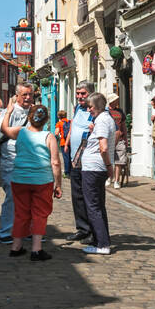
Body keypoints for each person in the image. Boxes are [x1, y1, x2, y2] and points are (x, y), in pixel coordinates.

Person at [0, 103, 62, 260]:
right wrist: (58, 184)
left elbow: (4, 129)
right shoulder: (49, 137)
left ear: (29, 118)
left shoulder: (21, 132)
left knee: (21, 213)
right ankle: (36, 249)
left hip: (19, 179)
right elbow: (55, 162)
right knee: (39, 214)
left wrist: (8, 112)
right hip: (42, 181)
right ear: (46, 120)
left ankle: (16, 247)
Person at [0, 83, 34, 245]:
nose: (27, 98)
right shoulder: (7, 113)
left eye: (30, 94)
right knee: (12, 194)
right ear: (17, 95)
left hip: (31, 160)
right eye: (24, 94)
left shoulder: (35, 112)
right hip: (11, 160)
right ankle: (6, 231)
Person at [80, 92, 115, 255]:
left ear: (97, 106)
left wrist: (109, 166)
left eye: (90, 107)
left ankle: (102, 244)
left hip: (94, 168)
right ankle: (101, 240)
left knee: (93, 206)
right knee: (98, 205)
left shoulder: (102, 120)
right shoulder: (104, 119)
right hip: (96, 168)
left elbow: (104, 147)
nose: (88, 110)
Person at [64, 83, 95, 245]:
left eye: (83, 93)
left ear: (90, 94)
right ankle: (82, 229)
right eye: (77, 93)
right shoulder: (77, 108)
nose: (79, 96)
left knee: (89, 196)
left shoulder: (95, 111)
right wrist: (68, 143)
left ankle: (93, 231)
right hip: (75, 158)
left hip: (88, 159)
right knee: (77, 195)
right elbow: (73, 127)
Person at [108, 95, 129, 190]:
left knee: (119, 162)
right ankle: (109, 178)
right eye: (115, 100)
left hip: (120, 140)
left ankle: (116, 180)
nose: (117, 102)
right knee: (108, 161)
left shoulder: (120, 112)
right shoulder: (106, 112)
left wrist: (126, 139)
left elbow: (123, 126)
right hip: (109, 139)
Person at [56, 110, 71, 175]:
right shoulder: (70, 122)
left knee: (65, 158)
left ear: (59, 116)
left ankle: (66, 172)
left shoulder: (59, 123)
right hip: (70, 142)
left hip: (63, 142)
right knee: (70, 157)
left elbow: (56, 133)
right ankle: (71, 171)